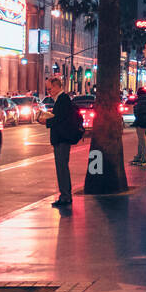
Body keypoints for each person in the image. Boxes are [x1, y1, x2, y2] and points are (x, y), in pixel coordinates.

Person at [41, 76, 82, 208]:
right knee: (62, 168)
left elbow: (60, 119)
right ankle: (65, 195)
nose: (49, 91)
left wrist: (46, 121)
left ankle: (65, 196)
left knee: (62, 168)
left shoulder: (62, 100)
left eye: (50, 88)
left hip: (61, 139)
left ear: (57, 86)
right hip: (61, 138)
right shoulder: (62, 99)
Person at [132, 87, 146, 165]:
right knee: (141, 140)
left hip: (141, 123)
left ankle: (144, 158)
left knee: (142, 141)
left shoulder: (139, 102)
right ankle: (139, 156)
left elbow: (137, 112)